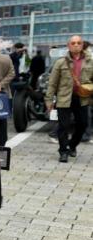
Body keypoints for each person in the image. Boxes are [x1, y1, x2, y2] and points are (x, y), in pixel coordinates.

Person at [45, 35, 92, 163]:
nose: (76, 45)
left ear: (82, 45)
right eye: (73, 43)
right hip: (64, 98)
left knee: (83, 124)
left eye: (78, 43)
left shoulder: (90, 61)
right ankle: (63, 151)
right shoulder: (60, 62)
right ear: (68, 45)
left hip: (82, 98)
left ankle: (72, 145)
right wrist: (49, 101)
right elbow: (53, 83)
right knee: (63, 125)